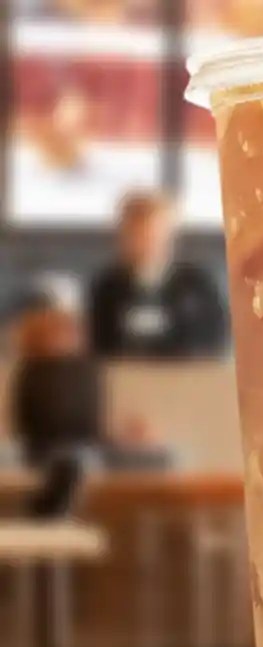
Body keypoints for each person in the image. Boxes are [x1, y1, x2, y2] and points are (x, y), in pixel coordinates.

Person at [89, 190, 228, 358]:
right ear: (123, 237)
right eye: (137, 235)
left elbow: (214, 342)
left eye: (153, 234)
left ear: (169, 236)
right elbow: (98, 347)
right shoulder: (107, 287)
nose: (146, 243)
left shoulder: (198, 286)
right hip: (124, 378)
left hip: (186, 379)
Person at [8, 276, 103, 517]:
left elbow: (90, 423)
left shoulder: (87, 370)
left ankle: (49, 514)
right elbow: (24, 421)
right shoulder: (30, 370)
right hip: (38, 451)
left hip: (77, 452)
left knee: (72, 463)